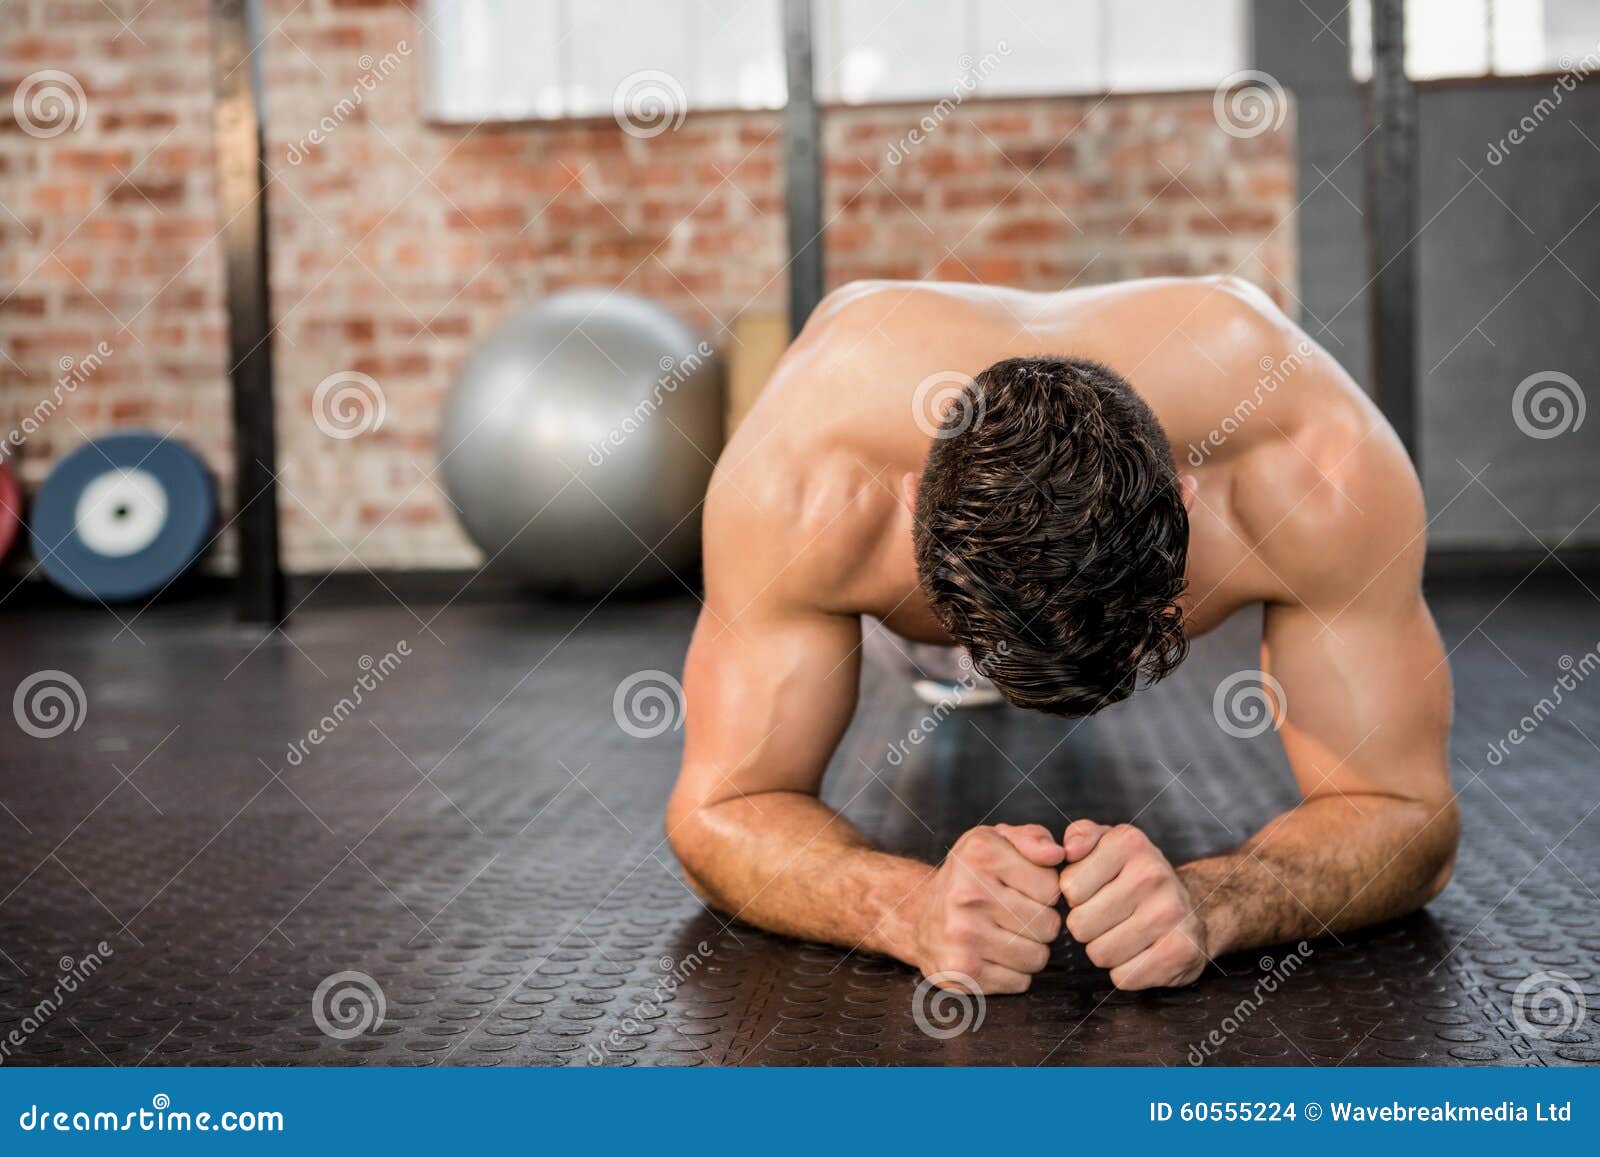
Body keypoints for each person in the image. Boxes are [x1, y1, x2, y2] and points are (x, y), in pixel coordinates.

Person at [666, 275, 1457, 993]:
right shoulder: (798, 488)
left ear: (1187, 499)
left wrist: (1219, 902)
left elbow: (1407, 809)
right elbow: (718, 810)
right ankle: (950, 656)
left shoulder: (1317, 468)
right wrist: (904, 908)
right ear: (911, 505)